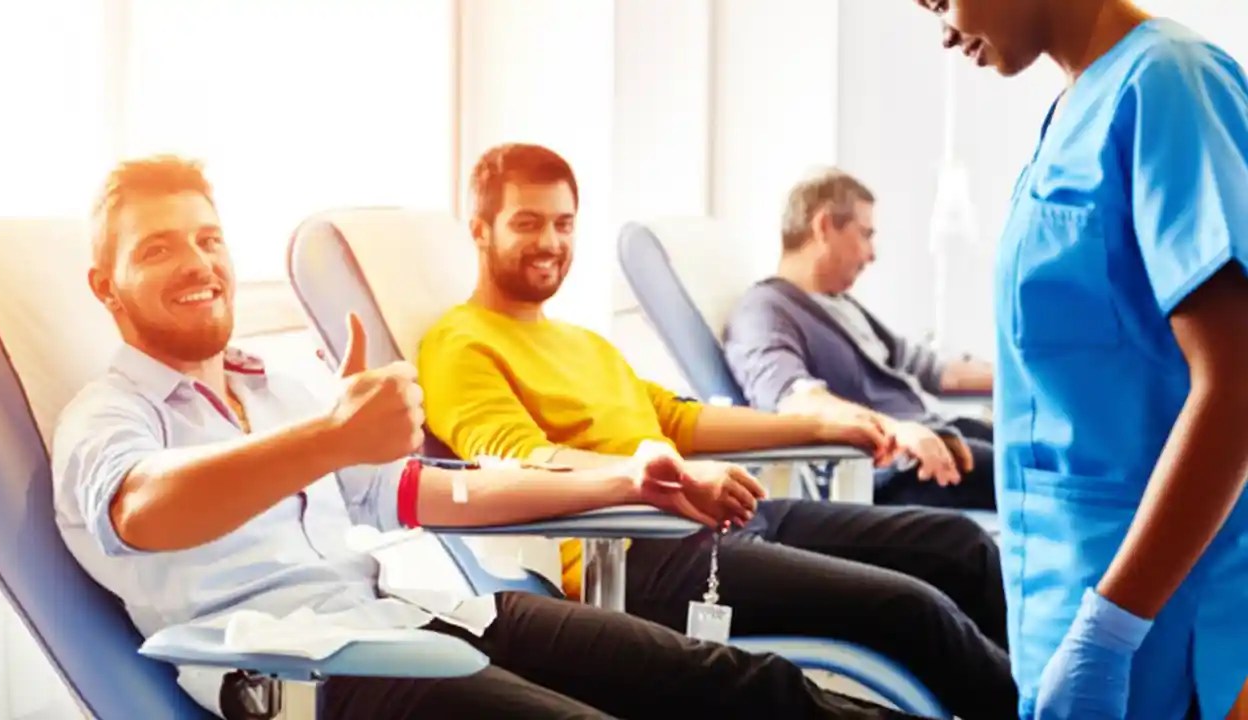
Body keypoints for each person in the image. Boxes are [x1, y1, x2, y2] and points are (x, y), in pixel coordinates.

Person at [51, 154, 923, 720]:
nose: (199, 264)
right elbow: (144, 512)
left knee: (734, 684)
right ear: (106, 286)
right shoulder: (107, 414)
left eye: (208, 240)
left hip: (425, 608)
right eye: (158, 250)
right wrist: (327, 438)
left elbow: (427, 491)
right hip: (308, 668)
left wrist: (625, 485)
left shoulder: (275, 386)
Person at [417, 142, 1019, 719]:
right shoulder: (459, 344)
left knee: (955, 546)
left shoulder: (581, 341)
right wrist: (660, 477)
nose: (550, 241)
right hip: (642, 555)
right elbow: (518, 460)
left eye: (564, 224)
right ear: (480, 229)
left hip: (722, 516)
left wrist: (827, 426)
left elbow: (680, 419)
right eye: (527, 223)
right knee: (913, 610)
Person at [911, 1, 1248, 718]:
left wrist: (1112, 629)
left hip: (1162, 620)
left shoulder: (1168, 83)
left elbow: (1240, 383)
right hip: (1069, 600)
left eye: (941, 0)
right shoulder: (1072, 108)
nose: (943, 30)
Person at [723, 168, 997, 510]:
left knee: (1045, 448)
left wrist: (1015, 379)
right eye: (865, 235)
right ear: (823, 226)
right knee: (1041, 471)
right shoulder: (764, 311)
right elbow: (793, 401)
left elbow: (932, 370)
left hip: (941, 431)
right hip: (898, 465)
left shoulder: (842, 306)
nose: (872, 254)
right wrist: (895, 430)